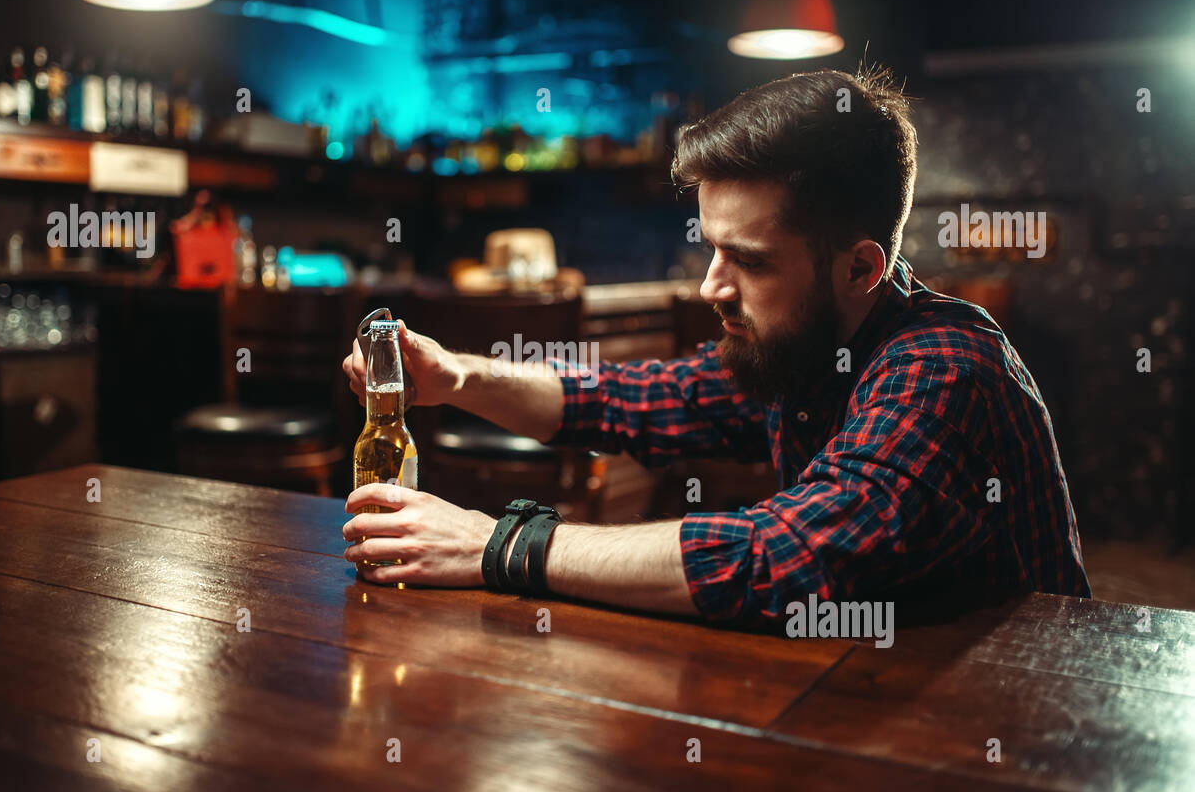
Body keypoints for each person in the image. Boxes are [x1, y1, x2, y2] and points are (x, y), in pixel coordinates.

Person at [340, 65, 1091, 631]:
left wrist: (495, 545)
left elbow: (788, 559)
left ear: (863, 266)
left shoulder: (943, 367)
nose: (711, 287)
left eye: (751, 260)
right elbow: (626, 400)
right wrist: (457, 374)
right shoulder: (808, 344)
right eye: (712, 248)